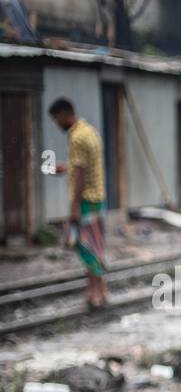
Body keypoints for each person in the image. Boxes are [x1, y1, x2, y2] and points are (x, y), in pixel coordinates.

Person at [48, 97, 109, 309]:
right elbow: (82, 166)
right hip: (97, 200)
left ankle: (96, 293)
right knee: (94, 246)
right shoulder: (89, 131)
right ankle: (99, 290)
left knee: (87, 248)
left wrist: (73, 208)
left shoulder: (77, 138)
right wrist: (65, 168)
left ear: (65, 114)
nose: (57, 124)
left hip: (85, 201)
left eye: (57, 119)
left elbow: (81, 175)